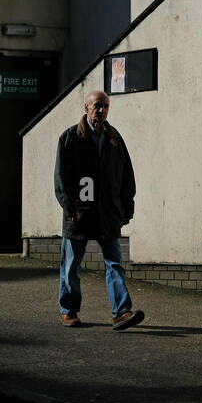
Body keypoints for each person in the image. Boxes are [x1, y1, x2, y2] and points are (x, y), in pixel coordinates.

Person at [53, 90, 144, 330]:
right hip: (79, 214)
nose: (101, 110)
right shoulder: (70, 138)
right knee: (71, 266)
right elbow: (61, 178)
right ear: (86, 107)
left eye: (105, 106)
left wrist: (127, 207)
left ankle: (122, 312)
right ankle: (68, 310)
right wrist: (71, 207)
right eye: (96, 106)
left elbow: (127, 176)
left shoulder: (114, 138)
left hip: (108, 214)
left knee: (115, 263)